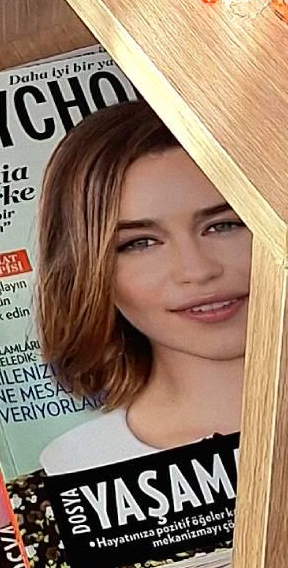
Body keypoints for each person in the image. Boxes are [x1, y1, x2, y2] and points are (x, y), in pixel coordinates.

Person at [35, 100, 250, 476]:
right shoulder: (72, 469)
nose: (197, 271)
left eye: (224, 225)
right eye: (139, 243)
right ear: (88, 269)